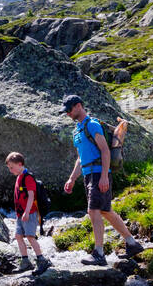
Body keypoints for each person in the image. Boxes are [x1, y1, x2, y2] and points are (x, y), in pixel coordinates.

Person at [61, 95, 143, 265]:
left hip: (99, 173)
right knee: (105, 211)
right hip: (88, 174)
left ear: (78, 106)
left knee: (94, 211)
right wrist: (72, 178)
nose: (67, 113)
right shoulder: (77, 130)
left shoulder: (92, 125)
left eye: (69, 110)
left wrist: (105, 175)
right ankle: (132, 244)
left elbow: (105, 150)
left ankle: (99, 253)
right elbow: (80, 157)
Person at [5, 152, 49, 274]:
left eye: (11, 167)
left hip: (29, 213)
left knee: (30, 236)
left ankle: (41, 260)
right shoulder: (19, 177)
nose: (10, 170)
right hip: (20, 214)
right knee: (18, 236)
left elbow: (31, 196)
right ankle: (25, 261)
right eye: (9, 168)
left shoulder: (28, 177)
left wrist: (27, 212)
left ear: (20, 164)